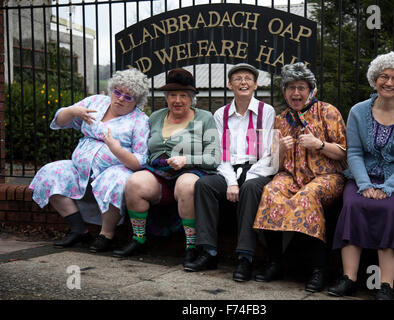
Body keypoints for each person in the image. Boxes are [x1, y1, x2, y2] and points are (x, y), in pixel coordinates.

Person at [328, 50, 394, 300]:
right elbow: (355, 153)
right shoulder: (358, 111)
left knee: (388, 209)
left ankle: (386, 285)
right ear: (375, 79)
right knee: (351, 204)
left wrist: (388, 187)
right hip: (362, 177)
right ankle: (348, 278)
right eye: (384, 76)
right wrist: (363, 184)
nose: (389, 83)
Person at [29, 68, 151, 252]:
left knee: (116, 180)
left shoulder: (140, 120)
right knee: (49, 173)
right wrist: (72, 111)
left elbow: (139, 161)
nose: (120, 99)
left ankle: (106, 234)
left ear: (137, 101)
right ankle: (79, 230)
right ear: (111, 90)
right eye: (117, 92)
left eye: (128, 97)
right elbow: (59, 121)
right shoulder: (96, 102)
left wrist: (117, 150)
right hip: (80, 168)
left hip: (115, 168)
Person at [252, 62, 347, 292]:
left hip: (326, 176)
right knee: (271, 192)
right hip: (291, 176)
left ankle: (317, 270)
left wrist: (320, 144)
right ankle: (274, 263)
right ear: (284, 91)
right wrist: (280, 149)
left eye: (301, 87)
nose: (296, 93)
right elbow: (273, 163)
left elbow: (344, 154)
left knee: (308, 196)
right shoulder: (281, 119)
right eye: (291, 87)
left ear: (311, 89)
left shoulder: (328, 112)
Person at [112, 68, 220, 267]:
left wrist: (186, 159)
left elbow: (214, 158)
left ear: (192, 98)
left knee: (187, 185)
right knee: (135, 182)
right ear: (166, 97)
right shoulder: (155, 117)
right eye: (172, 95)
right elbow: (142, 148)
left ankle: (191, 246)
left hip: (190, 171)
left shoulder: (205, 118)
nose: (177, 100)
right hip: (158, 172)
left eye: (183, 95)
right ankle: (139, 240)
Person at [184, 63, 276, 282]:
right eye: (237, 78)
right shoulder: (221, 114)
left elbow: (268, 155)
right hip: (229, 170)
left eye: (247, 78)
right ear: (229, 84)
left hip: (257, 169)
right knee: (204, 185)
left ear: (255, 84)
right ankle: (208, 252)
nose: (243, 82)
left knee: (250, 189)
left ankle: (245, 257)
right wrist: (232, 181)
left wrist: (244, 180)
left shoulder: (266, 111)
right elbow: (220, 154)